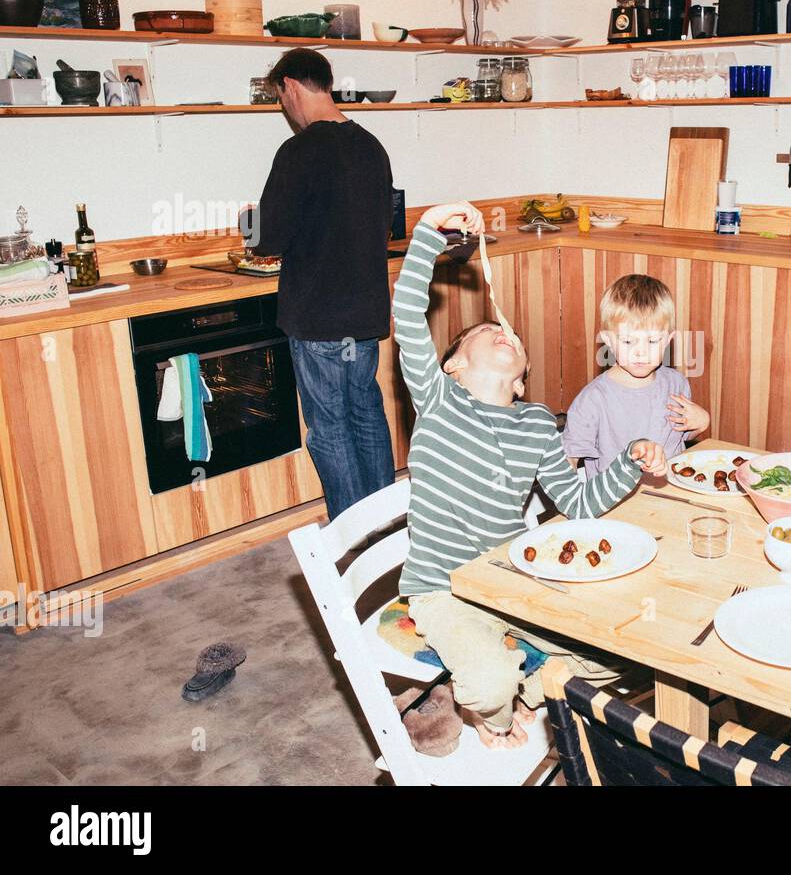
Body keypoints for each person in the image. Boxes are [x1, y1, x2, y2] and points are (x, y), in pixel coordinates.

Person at [394, 204, 667, 749]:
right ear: (452, 365)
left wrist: (629, 461)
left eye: (509, 333)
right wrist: (429, 233)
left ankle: (525, 685)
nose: (502, 331)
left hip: (510, 579)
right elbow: (405, 315)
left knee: (623, 654)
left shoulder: (537, 421)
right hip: (443, 588)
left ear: (521, 382)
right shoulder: (439, 399)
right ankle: (487, 706)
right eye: (485, 331)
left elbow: (578, 502)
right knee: (491, 687)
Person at [245, 48, 395, 520]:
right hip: (365, 316)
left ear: (289, 86)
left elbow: (266, 238)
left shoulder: (299, 151)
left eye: (279, 96)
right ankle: (386, 525)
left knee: (329, 427)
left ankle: (353, 533)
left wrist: (248, 222)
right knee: (366, 413)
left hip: (318, 318)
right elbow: (383, 225)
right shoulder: (371, 145)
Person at [564, 274, 709, 476]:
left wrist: (701, 423)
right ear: (608, 340)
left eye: (652, 341)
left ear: (668, 340)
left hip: (671, 495)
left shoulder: (676, 384)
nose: (640, 352)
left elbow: (681, 437)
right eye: (627, 341)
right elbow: (568, 459)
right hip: (617, 503)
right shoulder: (593, 400)